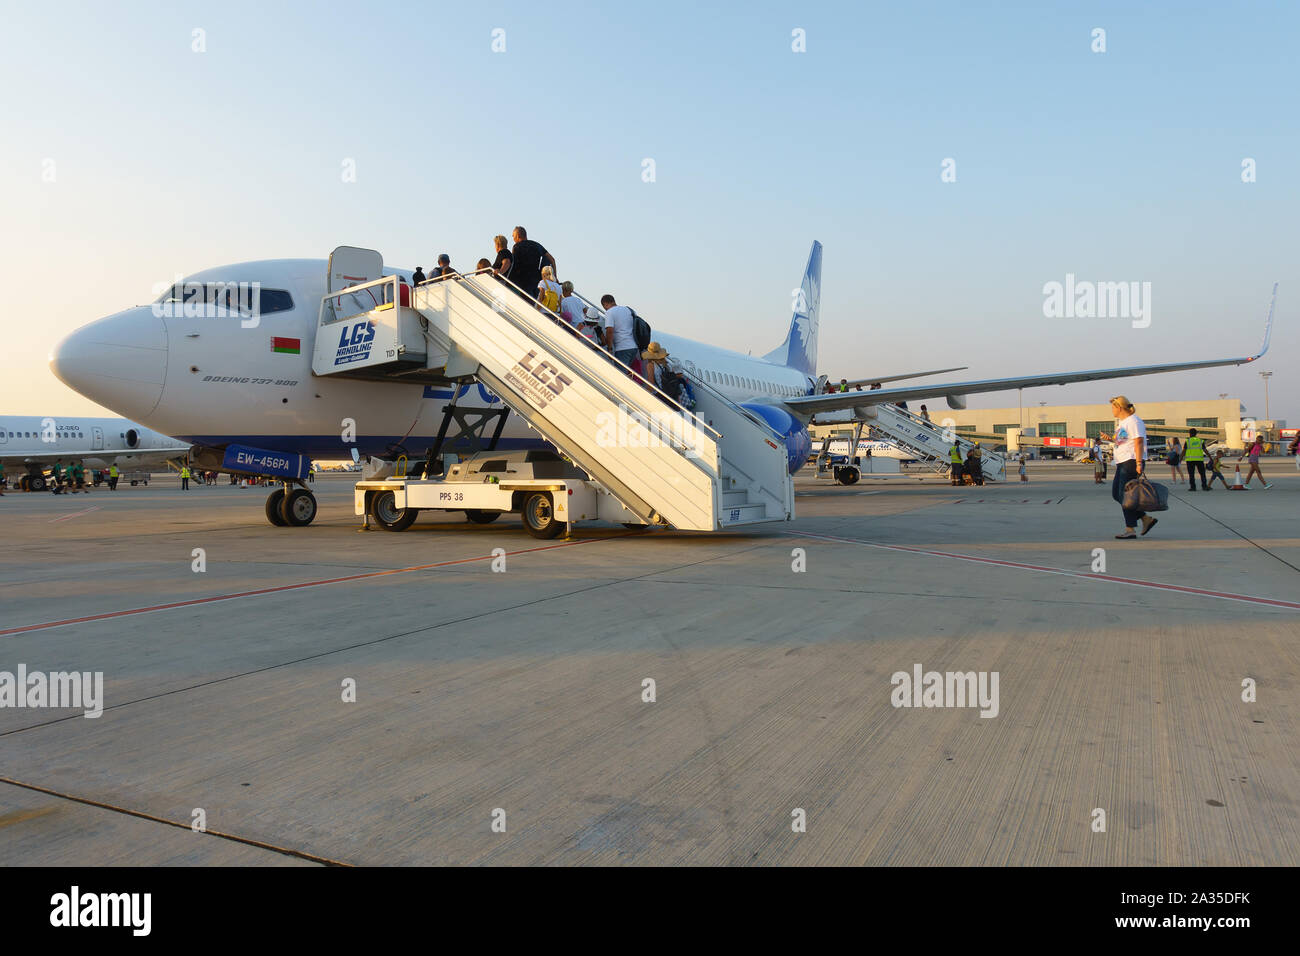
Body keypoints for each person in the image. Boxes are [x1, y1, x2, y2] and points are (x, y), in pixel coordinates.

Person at [1099, 395, 1155, 539]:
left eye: (1112, 407)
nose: (1111, 410)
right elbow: (1122, 441)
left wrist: (1138, 463)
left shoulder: (1134, 421)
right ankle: (1144, 518)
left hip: (1130, 461)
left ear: (1119, 407)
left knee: (1125, 495)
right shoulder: (1123, 423)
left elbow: (1138, 442)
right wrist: (1110, 439)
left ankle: (1130, 529)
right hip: (1122, 462)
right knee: (1117, 494)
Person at [505, 226, 554, 299]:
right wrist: (554, 276)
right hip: (537, 280)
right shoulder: (537, 245)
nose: (513, 238)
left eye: (513, 236)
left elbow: (514, 264)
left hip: (523, 282)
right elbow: (552, 260)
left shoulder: (517, 247)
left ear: (518, 236)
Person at [601, 295, 638, 368]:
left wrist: (610, 348)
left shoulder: (610, 312)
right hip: (634, 347)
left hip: (622, 348)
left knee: (621, 373)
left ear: (605, 304)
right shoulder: (628, 310)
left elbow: (609, 331)